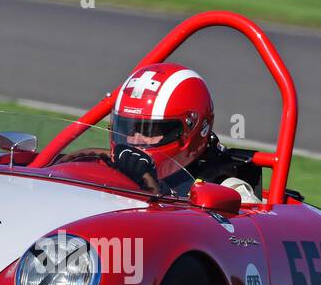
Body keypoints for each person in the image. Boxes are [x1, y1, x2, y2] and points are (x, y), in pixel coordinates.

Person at [107, 63, 261, 201]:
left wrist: (168, 199)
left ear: (191, 129)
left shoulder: (230, 191)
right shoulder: (110, 171)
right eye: (128, 129)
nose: (134, 140)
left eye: (149, 131)